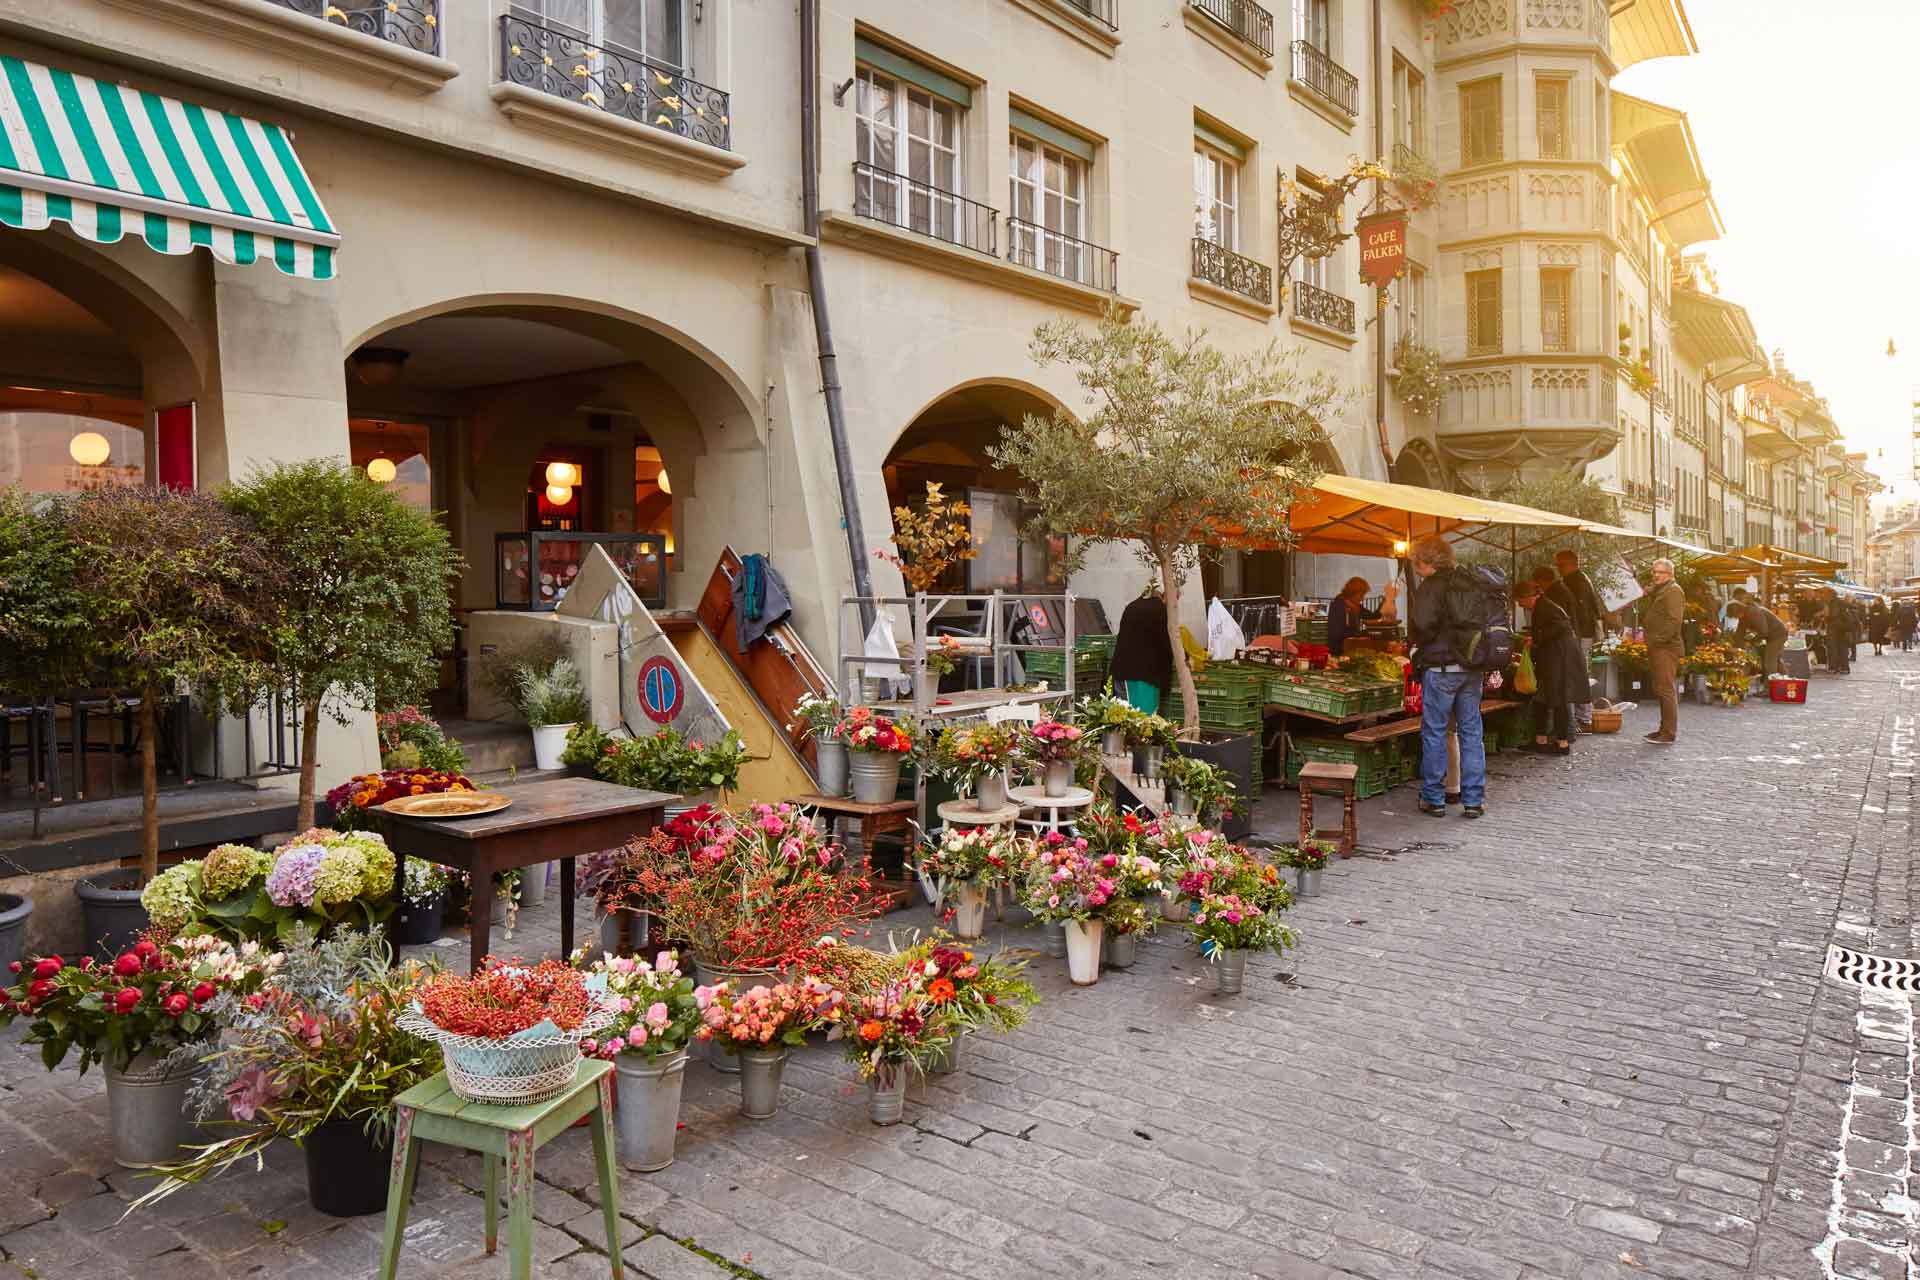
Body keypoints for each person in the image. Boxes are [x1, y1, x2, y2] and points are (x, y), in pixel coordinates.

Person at [1407, 535, 1491, 819]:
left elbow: (1424, 625)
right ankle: (1474, 800)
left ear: (1427, 561)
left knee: (1435, 731)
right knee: (1471, 733)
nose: (1415, 566)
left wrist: (1417, 646)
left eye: (1416, 560)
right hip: (1472, 667)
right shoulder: (1470, 581)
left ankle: (1434, 798)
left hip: (1441, 667)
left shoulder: (1431, 587)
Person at [1521, 568, 1582, 756]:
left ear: (1529, 597)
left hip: (1559, 659)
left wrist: (1537, 638)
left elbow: (1562, 626)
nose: (1521, 605)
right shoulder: (1544, 606)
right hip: (1554, 657)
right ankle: (1542, 740)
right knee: (1543, 699)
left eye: (1521, 601)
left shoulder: (1546, 607)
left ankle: (1562, 743)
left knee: (1558, 700)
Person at [1555, 549, 1607, 732]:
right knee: (1580, 673)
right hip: (1584, 633)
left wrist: (1573, 634)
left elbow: (1581, 612)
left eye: (1560, 565)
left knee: (1578, 674)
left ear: (1570, 564)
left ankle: (1583, 717)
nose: (1558, 569)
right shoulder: (1583, 579)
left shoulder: (1575, 582)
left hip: (1580, 634)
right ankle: (1583, 716)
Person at [1642, 558, 1686, 745]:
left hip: (1665, 647)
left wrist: (1658, 640)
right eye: (1654, 572)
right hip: (1659, 646)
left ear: (1670, 574)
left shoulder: (1674, 591)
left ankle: (1668, 732)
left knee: (1666, 690)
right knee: (1661, 689)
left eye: (1661, 572)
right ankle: (1663, 729)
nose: (1656, 575)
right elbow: (1653, 591)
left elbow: (1675, 620)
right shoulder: (1663, 589)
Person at [1110, 586, 1173, 715]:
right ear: (1165, 594)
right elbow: (1165, 643)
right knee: (1141, 722)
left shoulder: (1133, 605)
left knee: (1123, 720)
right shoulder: (1159, 609)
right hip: (1141, 677)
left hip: (1122, 672)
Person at [1326, 575, 1398, 656]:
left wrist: (1387, 599)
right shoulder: (1338, 605)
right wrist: (1362, 634)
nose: (1362, 598)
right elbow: (1337, 633)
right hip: (1338, 650)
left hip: (1351, 647)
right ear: (1352, 592)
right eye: (1361, 595)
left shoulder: (1356, 606)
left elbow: (1373, 616)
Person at [1729, 599, 1788, 678]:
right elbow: (1740, 632)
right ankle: (1785, 680)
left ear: (1739, 611)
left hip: (1778, 634)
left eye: (1735, 616)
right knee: (1775, 659)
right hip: (1772, 635)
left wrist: (1752, 640)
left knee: (1769, 661)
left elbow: (1764, 631)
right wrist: (1736, 647)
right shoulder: (1744, 616)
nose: (1736, 618)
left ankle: (1770, 686)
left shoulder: (1753, 613)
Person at [1823, 588, 1853, 675]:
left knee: (1833, 648)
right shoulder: (1841, 601)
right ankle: (1844, 668)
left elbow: (1833, 615)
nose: (1823, 596)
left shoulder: (1833, 603)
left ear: (1829, 595)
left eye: (1824, 594)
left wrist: (1826, 617)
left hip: (1835, 628)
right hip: (1842, 628)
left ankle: (1834, 667)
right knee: (1842, 648)